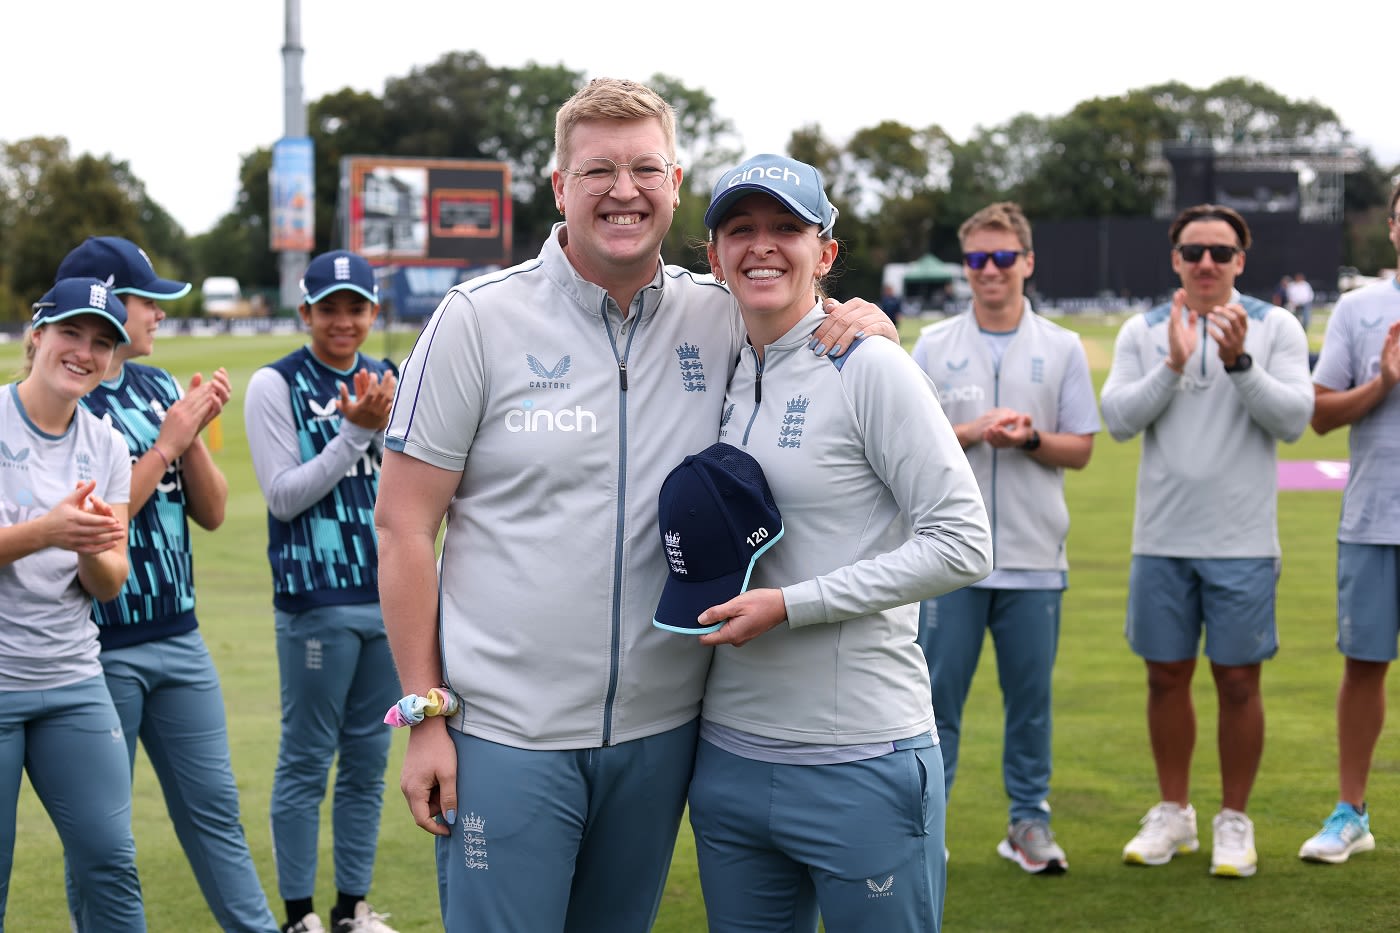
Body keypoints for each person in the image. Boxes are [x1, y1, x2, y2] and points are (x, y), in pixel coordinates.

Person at [374, 78, 891, 933]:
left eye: (645, 168)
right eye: (598, 171)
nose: (624, 190)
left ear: (676, 183)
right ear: (558, 188)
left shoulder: (717, 314)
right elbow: (402, 527)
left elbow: (806, 329)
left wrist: (865, 321)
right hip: (508, 736)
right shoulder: (475, 319)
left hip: (661, 734)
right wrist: (424, 711)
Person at [678, 153, 991, 933]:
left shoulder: (870, 365)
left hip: (860, 753)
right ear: (712, 255)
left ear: (826, 252)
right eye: (739, 229)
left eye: (788, 227)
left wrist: (794, 605)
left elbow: (962, 542)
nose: (763, 246)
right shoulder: (704, 363)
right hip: (728, 758)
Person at [49, 236, 280, 932]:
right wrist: (169, 443)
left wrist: (196, 429)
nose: (160, 317)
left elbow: (209, 513)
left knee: (217, 816)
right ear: (110, 302)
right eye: (151, 301)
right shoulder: (66, 397)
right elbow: (93, 522)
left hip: (180, 637)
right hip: (95, 648)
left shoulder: (155, 388)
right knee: (102, 841)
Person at [1099, 204, 1313, 878]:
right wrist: (1172, 364)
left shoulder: (1274, 325)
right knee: (1165, 677)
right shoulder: (1145, 329)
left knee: (1239, 682)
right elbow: (1119, 421)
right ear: (1175, 258)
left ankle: (1234, 819)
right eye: (1193, 251)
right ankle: (1175, 811)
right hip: (1162, 536)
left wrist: (1239, 361)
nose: (1206, 263)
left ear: (1241, 261)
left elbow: (1295, 420)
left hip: (1242, 538)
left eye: (1221, 252)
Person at [910, 202, 1098, 874]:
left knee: (1031, 708)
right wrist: (970, 431)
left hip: (1034, 557)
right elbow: (908, 447)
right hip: (948, 561)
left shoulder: (1063, 346)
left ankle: (1028, 825)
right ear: (965, 267)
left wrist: (1031, 438)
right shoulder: (933, 344)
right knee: (934, 706)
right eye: (977, 260)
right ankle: (924, 828)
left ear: (1027, 261)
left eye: (1002, 258)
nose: (990, 271)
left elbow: (1079, 448)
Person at [244, 249, 400, 933]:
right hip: (315, 600)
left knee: (369, 760)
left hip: (389, 596)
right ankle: (299, 916)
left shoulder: (393, 377)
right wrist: (355, 434)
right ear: (304, 311)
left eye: (356, 306)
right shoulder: (273, 384)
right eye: (328, 307)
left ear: (373, 312)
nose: (343, 320)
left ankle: (350, 909)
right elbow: (283, 497)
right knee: (308, 758)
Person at [0, 278, 144, 931]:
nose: (84, 351)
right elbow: (43, 537)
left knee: (111, 863)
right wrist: (47, 532)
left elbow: (110, 580)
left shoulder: (108, 445)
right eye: (71, 332)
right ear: (37, 336)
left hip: (72, 681)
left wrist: (86, 545)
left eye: (102, 342)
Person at [1298, 182, 1400, 864]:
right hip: (1374, 516)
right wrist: (1385, 381)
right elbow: (1322, 412)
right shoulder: (1362, 310)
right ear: (1391, 228)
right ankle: (1351, 812)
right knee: (1363, 664)